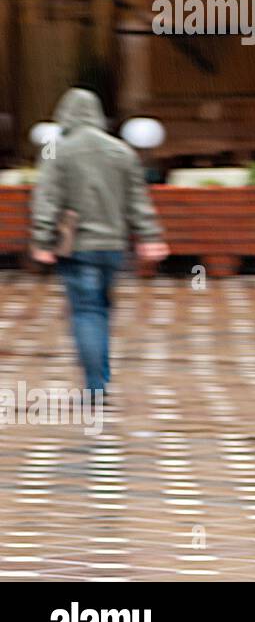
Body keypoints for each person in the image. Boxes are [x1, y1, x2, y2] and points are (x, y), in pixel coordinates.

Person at [30, 88, 169, 397]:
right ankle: (101, 377)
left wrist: (42, 239)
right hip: (112, 247)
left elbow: (47, 199)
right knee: (102, 309)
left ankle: (94, 385)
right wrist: (150, 236)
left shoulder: (57, 151)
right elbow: (138, 200)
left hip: (76, 247)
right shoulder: (121, 151)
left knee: (85, 311)